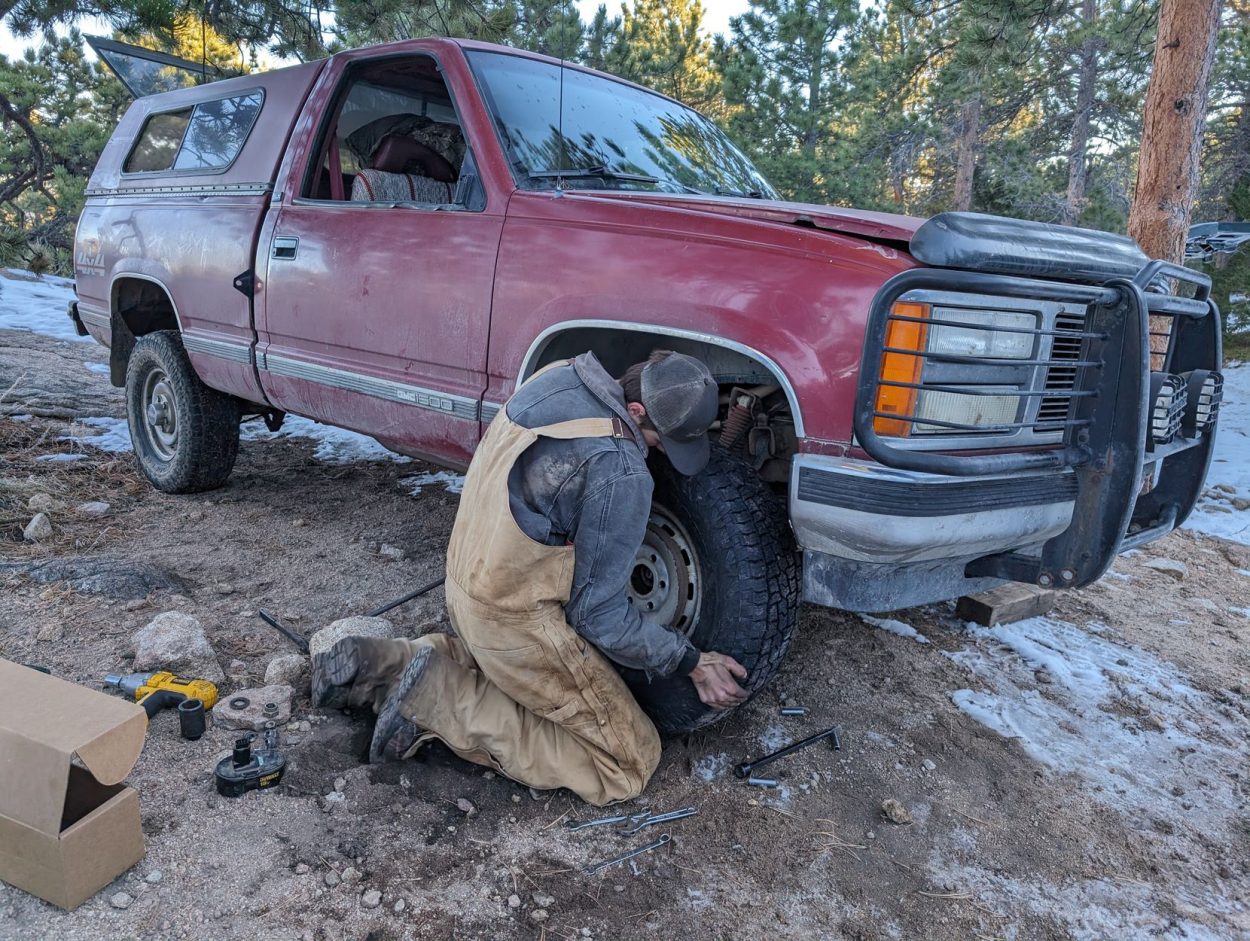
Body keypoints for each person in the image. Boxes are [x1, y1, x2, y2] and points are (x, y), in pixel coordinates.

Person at [311, 350, 749, 805]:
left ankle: (383, 664)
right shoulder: (620, 471)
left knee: (519, 676)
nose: (657, 450)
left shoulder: (557, 376)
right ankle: (433, 697)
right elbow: (598, 617)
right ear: (635, 411)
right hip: (509, 620)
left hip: (467, 578)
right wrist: (691, 661)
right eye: (661, 441)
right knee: (628, 763)